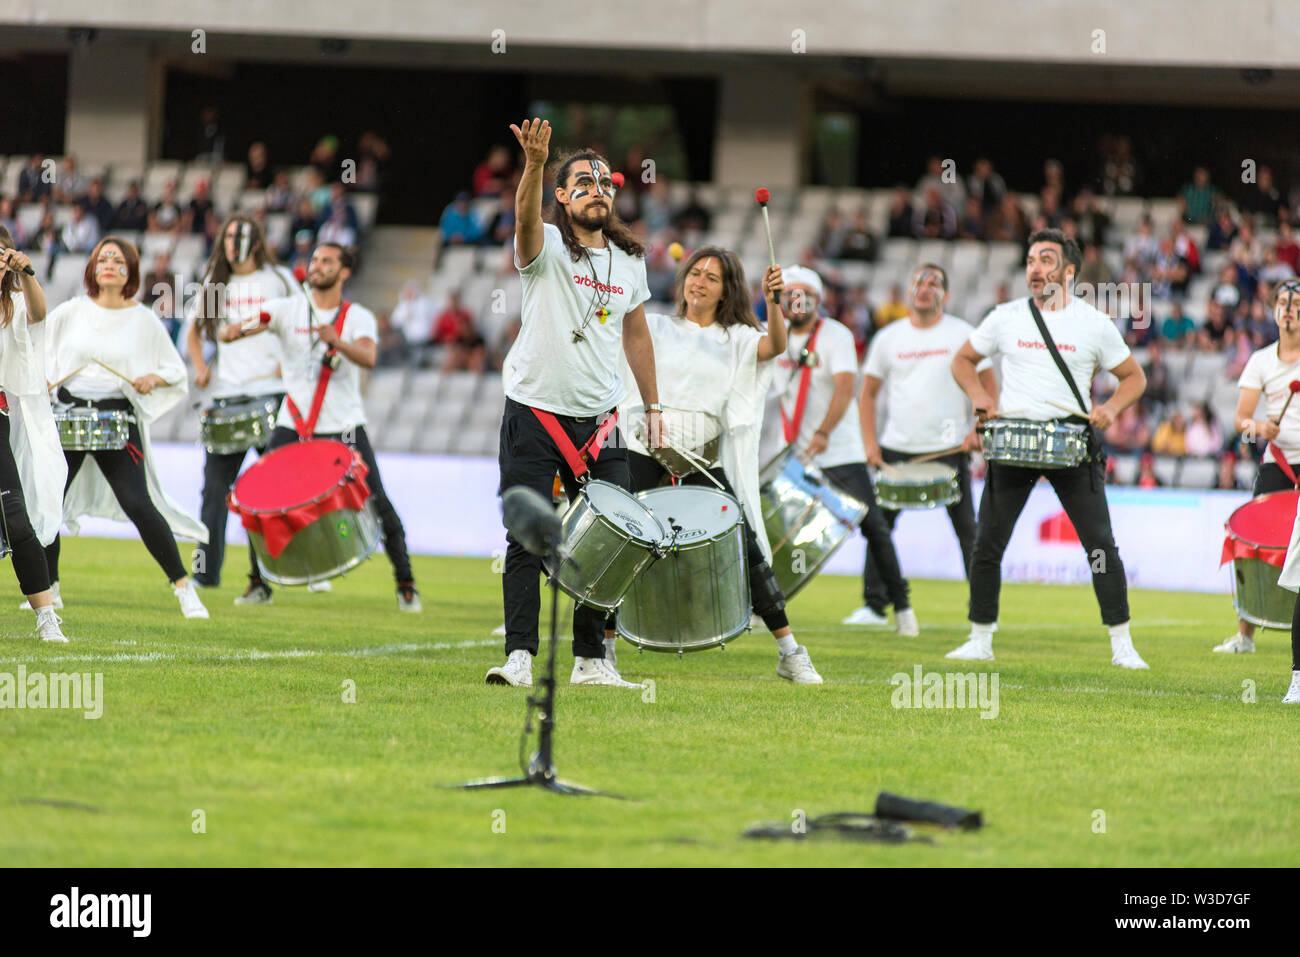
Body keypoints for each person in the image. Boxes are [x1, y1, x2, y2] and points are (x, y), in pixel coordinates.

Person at [485, 120, 661, 689]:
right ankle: (519, 657)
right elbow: (523, 220)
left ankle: (592, 659)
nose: (596, 191)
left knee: (612, 538)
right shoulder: (547, 246)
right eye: (581, 183)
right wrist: (534, 166)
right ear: (562, 197)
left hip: (603, 421)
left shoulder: (630, 261)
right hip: (533, 411)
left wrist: (652, 409)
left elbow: (637, 336)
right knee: (527, 536)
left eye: (604, 184)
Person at [616, 246, 822, 683]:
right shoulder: (653, 326)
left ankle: (790, 652)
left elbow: (777, 345)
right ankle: (600, 652)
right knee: (620, 545)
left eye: (712, 277)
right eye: (695, 272)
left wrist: (773, 301)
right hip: (643, 448)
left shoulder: (740, 339)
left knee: (743, 546)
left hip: (701, 459)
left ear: (727, 290)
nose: (699, 282)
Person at [948, 228, 1149, 667]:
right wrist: (980, 399)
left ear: (1069, 271)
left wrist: (1111, 410)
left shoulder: (1094, 323)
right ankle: (979, 639)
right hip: (1015, 442)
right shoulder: (1004, 316)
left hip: (1072, 444)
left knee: (1099, 547)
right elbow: (963, 361)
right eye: (1030, 260)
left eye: (1046, 260)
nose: (1035, 268)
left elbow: (1134, 378)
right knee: (987, 545)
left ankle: (1122, 644)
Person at [219, 243, 421, 612]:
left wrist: (337, 341)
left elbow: (369, 357)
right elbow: (252, 323)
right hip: (293, 421)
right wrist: (235, 331)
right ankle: (258, 582)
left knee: (376, 498)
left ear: (344, 272)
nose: (317, 266)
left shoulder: (357, 316)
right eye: (314, 260)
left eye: (327, 261)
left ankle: (406, 582)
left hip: (343, 424)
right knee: (259, 499)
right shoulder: (287, 308)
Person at [42, 236, 209, 619]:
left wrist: (152, 378)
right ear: (92, 268)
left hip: (117, 420)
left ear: (130, 271)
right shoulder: (70, 312)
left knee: (139, 503)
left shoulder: (143, 318)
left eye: (118, 260)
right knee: (48, 503)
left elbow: (174, 371)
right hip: (68, 416)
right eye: (103, 259)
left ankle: (184, 588)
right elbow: (41, 354)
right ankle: (48, 588)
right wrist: (46, 380)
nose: (110, 265)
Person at [777, 265, 918, 635]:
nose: (797, 299)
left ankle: (902, 608)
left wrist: (823, 432)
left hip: (839, 450)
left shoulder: (835, 335)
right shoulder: (773, 337)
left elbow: (845, 389)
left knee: (874, 526)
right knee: (777, 534)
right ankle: (768, 607)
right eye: (789, 292)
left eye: (804, 293)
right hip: (795, 454)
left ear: (818, 299)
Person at [856, 263, 998, 625]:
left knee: (969, 531)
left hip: (949, 449)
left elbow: (986, 383)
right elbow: (868, 394)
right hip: (895, 449)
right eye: (919, 281)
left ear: (945, 295)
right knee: (878, 527)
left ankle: (983, 612)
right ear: (909, 291)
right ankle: (874, 606)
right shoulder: (888, 338)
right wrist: (870, 443)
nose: (924, 287)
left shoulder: (962, 334)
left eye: (934, 283)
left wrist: (979, 429)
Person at [185, 214, 298, 591]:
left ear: (256, 240)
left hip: (272, 393)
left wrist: (289, 360)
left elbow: (302, 324)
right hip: (227, 397)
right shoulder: (215, 283)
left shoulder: (278, 279)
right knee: (213, 493)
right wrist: (200, 367)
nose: (234, 243)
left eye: (241, 236)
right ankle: (206, 573)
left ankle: (266, 578)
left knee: (271, 492)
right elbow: (194, 332)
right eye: (229, 236)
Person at [1215, 280, 1300, 654]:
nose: (1289, 310)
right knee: (1251, 540)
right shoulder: (1261, 360)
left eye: (1296, 304)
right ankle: (1245, 635)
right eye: (1282, 303)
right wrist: (1261, 428)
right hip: (1278, 462)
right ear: (1274, 311)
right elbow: (1241, 420)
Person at [0, 232, 70, 641]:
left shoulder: (17, 303)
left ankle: (46, 616)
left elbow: (40, 313)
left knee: (14, 515)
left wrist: (26, 272)